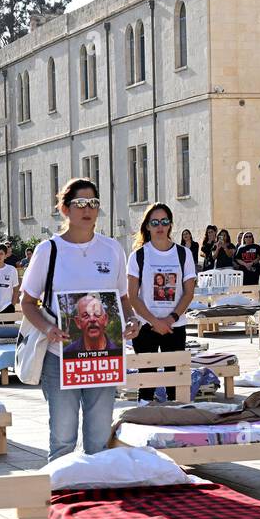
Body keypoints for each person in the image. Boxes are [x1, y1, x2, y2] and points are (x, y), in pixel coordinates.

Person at [19, 178, 132, 461]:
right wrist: (48, 328)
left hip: (103, 358)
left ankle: (95, 501)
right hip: (60, 356)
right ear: (64, 209)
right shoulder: (49, 250)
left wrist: (131, 321)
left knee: (98, 440)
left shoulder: (112, 249)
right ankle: (62, 499)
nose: (87, 209)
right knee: (63, 438)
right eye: (80, 203)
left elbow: (123, 298)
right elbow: (27, 302)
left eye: (93, 203)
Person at [127, 201, 195, 402]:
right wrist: (155, 321)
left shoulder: (183, 254)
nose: (159, 226)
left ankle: (176, 424)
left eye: (164, 221)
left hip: (175, 326)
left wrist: (170, 319)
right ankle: (146, 424)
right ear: (147, 226)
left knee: (175, 383)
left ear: (170, 225)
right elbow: (133, 296)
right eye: (154, 222)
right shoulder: (138, 256)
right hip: (146, 327)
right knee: (146, 382)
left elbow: (188, 293)